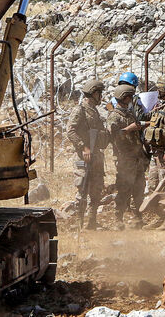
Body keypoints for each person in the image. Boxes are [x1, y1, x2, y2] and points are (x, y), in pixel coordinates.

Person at [66, 79, 108, 230]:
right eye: (99, 93)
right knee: (82, 189)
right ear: (94, 93)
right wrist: (83, 147)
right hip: (83, 157)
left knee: (96, 190)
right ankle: (79, 223)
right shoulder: (80, 110)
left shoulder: (94, 111)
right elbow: (70, 131)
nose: (101, 96)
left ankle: (92, 222)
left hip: (96, 156)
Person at [107, 74, 149, 228]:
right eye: (130, 97)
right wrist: (128, 129)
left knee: (139, 188)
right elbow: (112, 136)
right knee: (124, 188)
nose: (132, 99)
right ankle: (118, 219)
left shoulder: (129, 113)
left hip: (137, 157)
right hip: (124, 158)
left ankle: (138, 218)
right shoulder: (114, 116)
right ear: (124, 97)